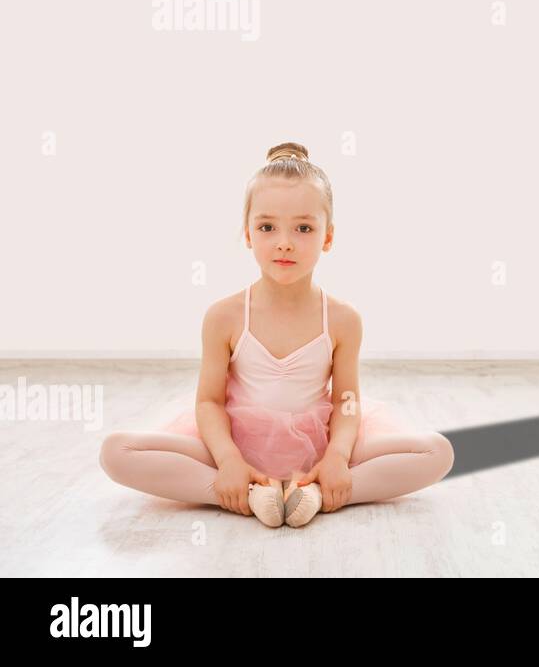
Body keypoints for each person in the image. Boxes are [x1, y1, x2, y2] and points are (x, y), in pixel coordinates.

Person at [99, 142, 454, 527]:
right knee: (116, 451)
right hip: (235, 442)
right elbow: (209, 403)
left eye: (303, 228)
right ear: (249, 234)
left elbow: (347, 401)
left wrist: (336, 456)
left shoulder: (343, 319)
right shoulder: (224, 316)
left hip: (317, 443)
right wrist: (229, 459)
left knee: (437, 452)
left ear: (328, 237)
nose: (284, 242)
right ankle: (243, 491)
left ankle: (317, 490)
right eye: (267, 227)